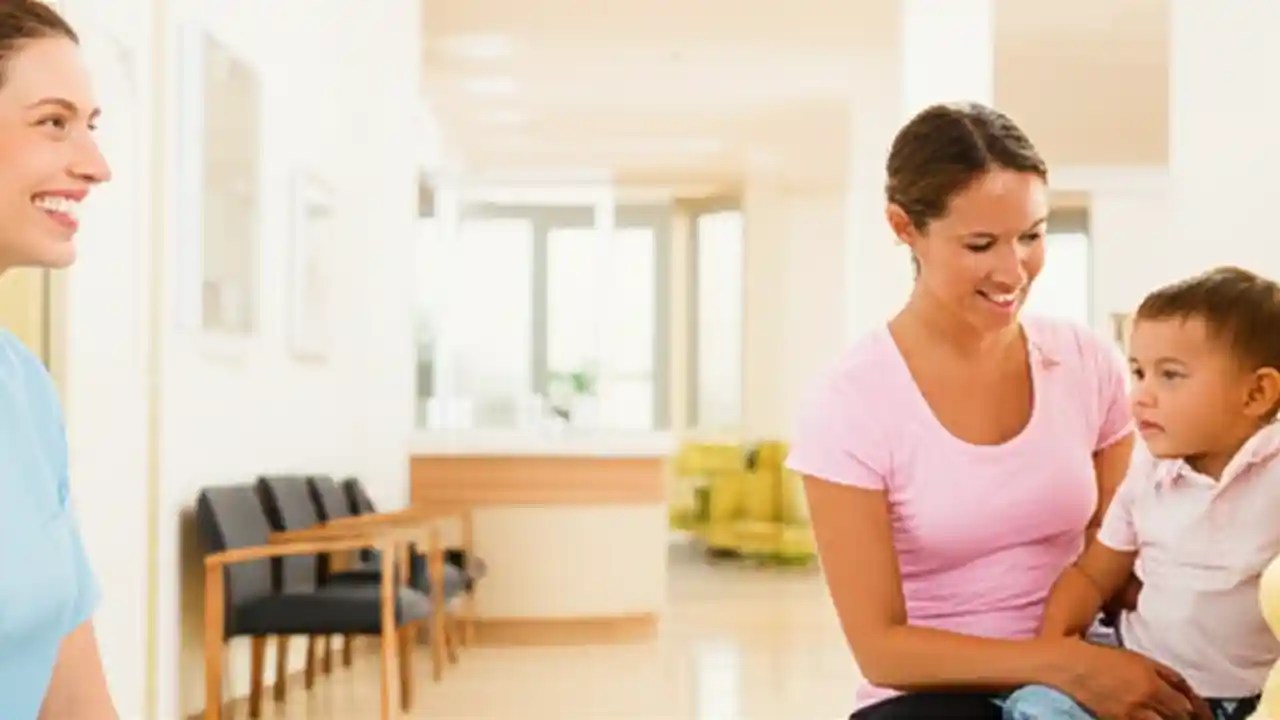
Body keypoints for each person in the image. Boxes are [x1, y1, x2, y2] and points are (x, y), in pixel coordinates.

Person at [786, 101, 1208, 720]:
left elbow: (1120, 551)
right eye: (981, 244)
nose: (1014, 271)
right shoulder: (850, 402)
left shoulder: (1084, 361)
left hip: (1084, 668)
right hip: (935, 697)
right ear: (904, 228)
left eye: (1032, 236)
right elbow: (882, 650)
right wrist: (1063, 662)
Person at [1002, 266, 1280, 720]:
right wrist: (1057, 654)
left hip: (1247, 696)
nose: (1141, 396)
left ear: (1256, 394)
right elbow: (1092, 576)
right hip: (1142, 677)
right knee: (1035, 706)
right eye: (1137, 372)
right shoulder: (1147, 473)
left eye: (1170, 376)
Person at [0, 2, 116, 718]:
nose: (95, 166)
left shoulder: (25, 391)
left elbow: (72, 692)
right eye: (53, 122)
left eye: (90, 126)